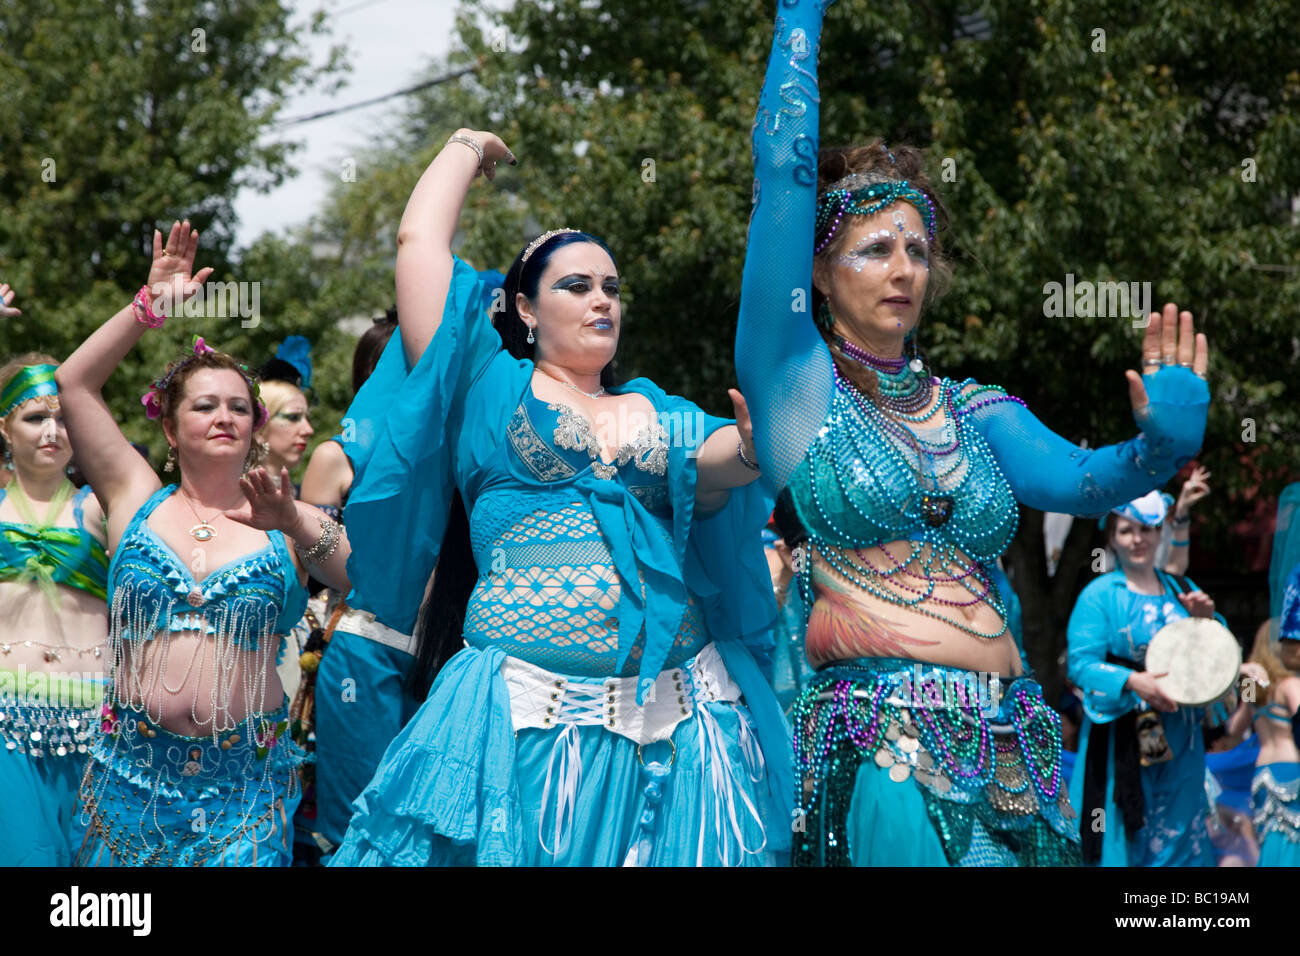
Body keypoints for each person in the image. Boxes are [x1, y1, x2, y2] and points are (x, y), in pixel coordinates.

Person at [736, 0, 1210, 866]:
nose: (904, 269)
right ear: (815, 272)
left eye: (917, 250)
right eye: (875, 249)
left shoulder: (973, 408)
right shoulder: (799, 390)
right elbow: (782, 173)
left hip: (1013, 744)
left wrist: (1159, 451)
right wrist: (799, 19)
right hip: (884, 743)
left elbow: (1083, 480)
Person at [330, 129, 792, 866]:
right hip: (523, 726)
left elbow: (717, 464)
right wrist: (466, 149)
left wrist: (756, 444)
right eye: (576, 286)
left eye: (611, 288)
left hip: (677, 728)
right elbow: (418, 243)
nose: (601, 299)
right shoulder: (486, 385)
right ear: (525, 308)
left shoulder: (656, 407)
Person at [58, 220, 354, 865]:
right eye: (203, 405)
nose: (223, 416)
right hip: (126, 783)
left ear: (256, 426)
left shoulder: (285, 514)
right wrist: (149, 308)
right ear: (167, 423)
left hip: (244, 794)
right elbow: (74, 384)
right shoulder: (136, 496)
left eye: (238, 407)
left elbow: (355, 576)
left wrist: (295, 523)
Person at [298, 311, 422, 859]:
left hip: (449, 653)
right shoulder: (337, 456)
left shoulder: (458, 448)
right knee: (358, 831)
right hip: (364, 648)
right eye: (386, 366)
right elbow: (308, 572)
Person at [1068, 492, 1239, 866]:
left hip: (1182, 737)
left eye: (1147, 529)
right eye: (1127, 531)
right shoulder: (1098, 596)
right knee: (1123, 831)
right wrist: (1134, 682)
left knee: (1180, 831)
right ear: (1112, 538)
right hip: (1122, 734)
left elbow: (1216, 656)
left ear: (1160, 533)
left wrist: (1208, 618)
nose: (1138, 539)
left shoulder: (1181, 589)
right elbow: (1080, 666)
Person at [0, 351, 109, 865]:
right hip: (7, 726)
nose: (52, 430)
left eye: (64, 417)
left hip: (98, 721)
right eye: (35, 416)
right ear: (5, 426)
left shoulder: (106, 507)